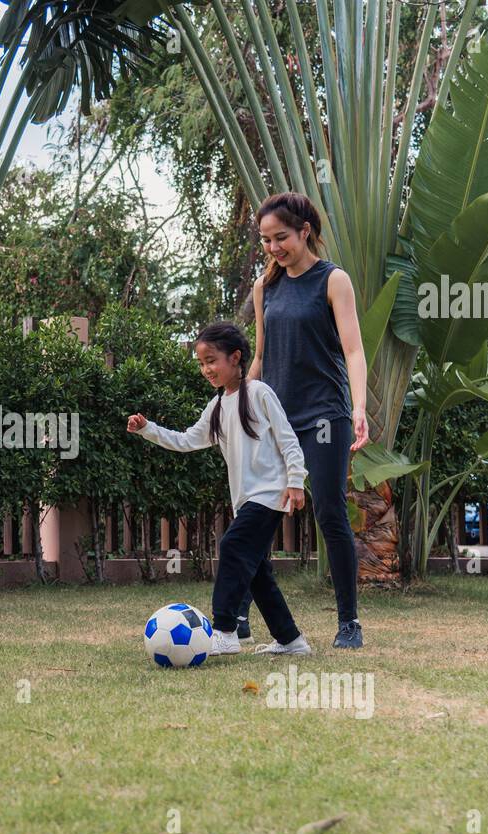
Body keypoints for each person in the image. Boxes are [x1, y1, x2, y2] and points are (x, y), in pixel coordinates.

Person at [128, 321, 313, 657]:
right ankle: (291, 641)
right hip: (246, 502)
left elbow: (288, 439)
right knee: (258, 575)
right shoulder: (217, 406)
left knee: (231, 547)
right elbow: (185, 440)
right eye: (201, 363)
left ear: (236, 357)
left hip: (271, 494)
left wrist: (296, 481)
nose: (206, 369)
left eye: (211, 360)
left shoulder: (259, 393)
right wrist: (147, 429)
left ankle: (225, 631)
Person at [241, 191, 370, 650]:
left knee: (330, 511)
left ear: (305, 232)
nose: (274, 248)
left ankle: (348, 622)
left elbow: (353, 349)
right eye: (266, 240)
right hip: (276, 417)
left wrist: (358, 406)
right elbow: (259, 356)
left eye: (281, 238)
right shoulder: (265, 287)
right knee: (255, 514)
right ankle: (241, 616)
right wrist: (237, 404)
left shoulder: (332, 280)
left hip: (324, 416)